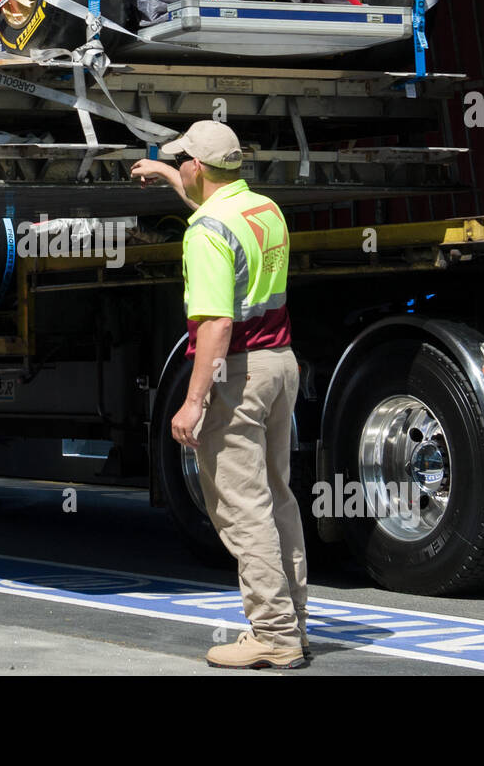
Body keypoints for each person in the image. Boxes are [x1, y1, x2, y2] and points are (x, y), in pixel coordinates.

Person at [131, 120, 309, 670]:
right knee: (277, 497)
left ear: (199, 166)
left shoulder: (205, 232)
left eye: (182, 158)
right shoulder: (262, 209)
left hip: (238, 374)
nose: (180, 164)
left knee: (240, 506)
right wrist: (166, 174)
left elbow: (214, 325)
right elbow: (212, 210)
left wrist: (193, 400)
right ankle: (293, 624)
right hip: (280, 366)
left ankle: (272, 634)